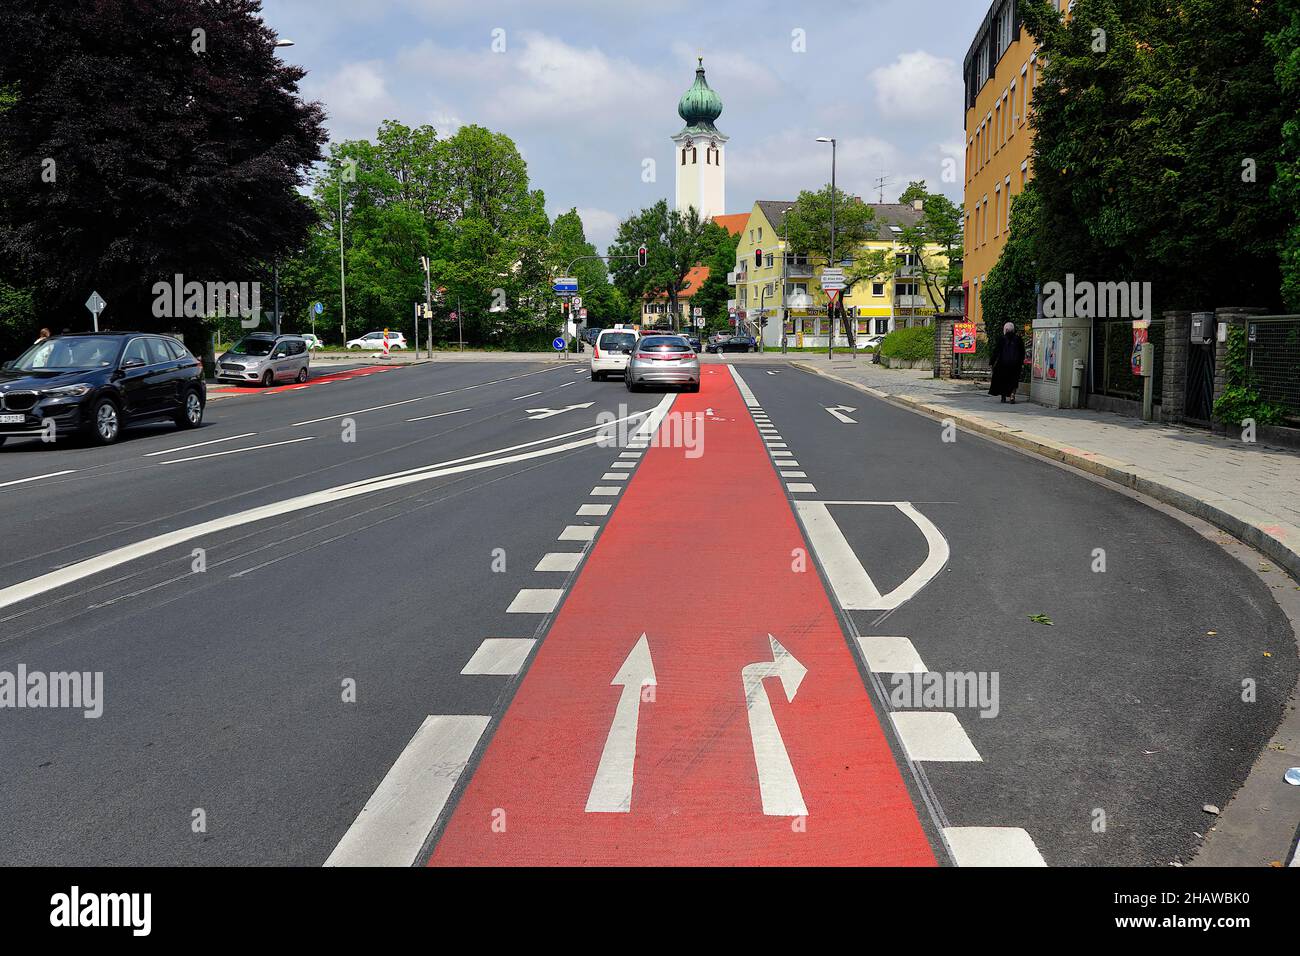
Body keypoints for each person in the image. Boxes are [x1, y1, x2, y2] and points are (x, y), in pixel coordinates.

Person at [989, 321, 1026, 404]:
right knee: (1014, 380)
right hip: (1015, 364)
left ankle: (1003, 397)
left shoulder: (1002, 339)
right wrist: (1021, 362)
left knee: (1003, 380)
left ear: (1005, 329)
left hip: (1003, 364)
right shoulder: (1018, 339)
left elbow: (996, 351)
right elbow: (1022, 352)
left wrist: (992, 362)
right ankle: (1012, 395)